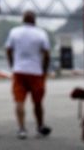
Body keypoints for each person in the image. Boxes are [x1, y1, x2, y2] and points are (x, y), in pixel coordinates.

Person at [6, 9, 53, 139]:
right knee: (38, 102)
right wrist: (44, 69)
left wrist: (12, 64)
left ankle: (21, 129)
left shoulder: (14, 32)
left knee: (19, 101)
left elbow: (8, 50)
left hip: (19, 71)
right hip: (36, 72)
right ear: (34, 21)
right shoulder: (41, 34)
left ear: (23, 20)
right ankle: (40, 126)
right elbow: (47, 54)